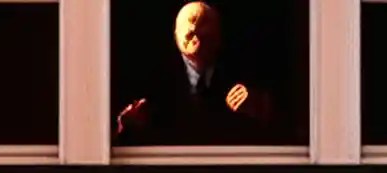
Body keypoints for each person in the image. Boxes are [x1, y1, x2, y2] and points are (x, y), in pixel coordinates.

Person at [115, 1, 275, 145]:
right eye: (188, 23)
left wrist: (259, 106)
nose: (193, 29)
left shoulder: (244, 70)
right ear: (176, 35)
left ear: (218, 34)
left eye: (202, 22)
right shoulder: (151, 81)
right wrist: (126, 126)